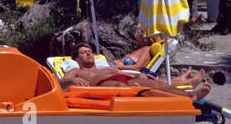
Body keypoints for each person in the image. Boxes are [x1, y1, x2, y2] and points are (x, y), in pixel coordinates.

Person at [58, 42, 210, 100]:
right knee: (127, 88)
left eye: (90, 51)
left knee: (155, 83)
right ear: (76, 59)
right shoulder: (77, 70)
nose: (89, 53)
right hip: (104, 84)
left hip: (124, 77)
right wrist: (71, 80)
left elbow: (126, 72)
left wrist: (140, 74)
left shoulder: (102, 66)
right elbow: (59, 82)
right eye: (84, 52)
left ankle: (191, 94)